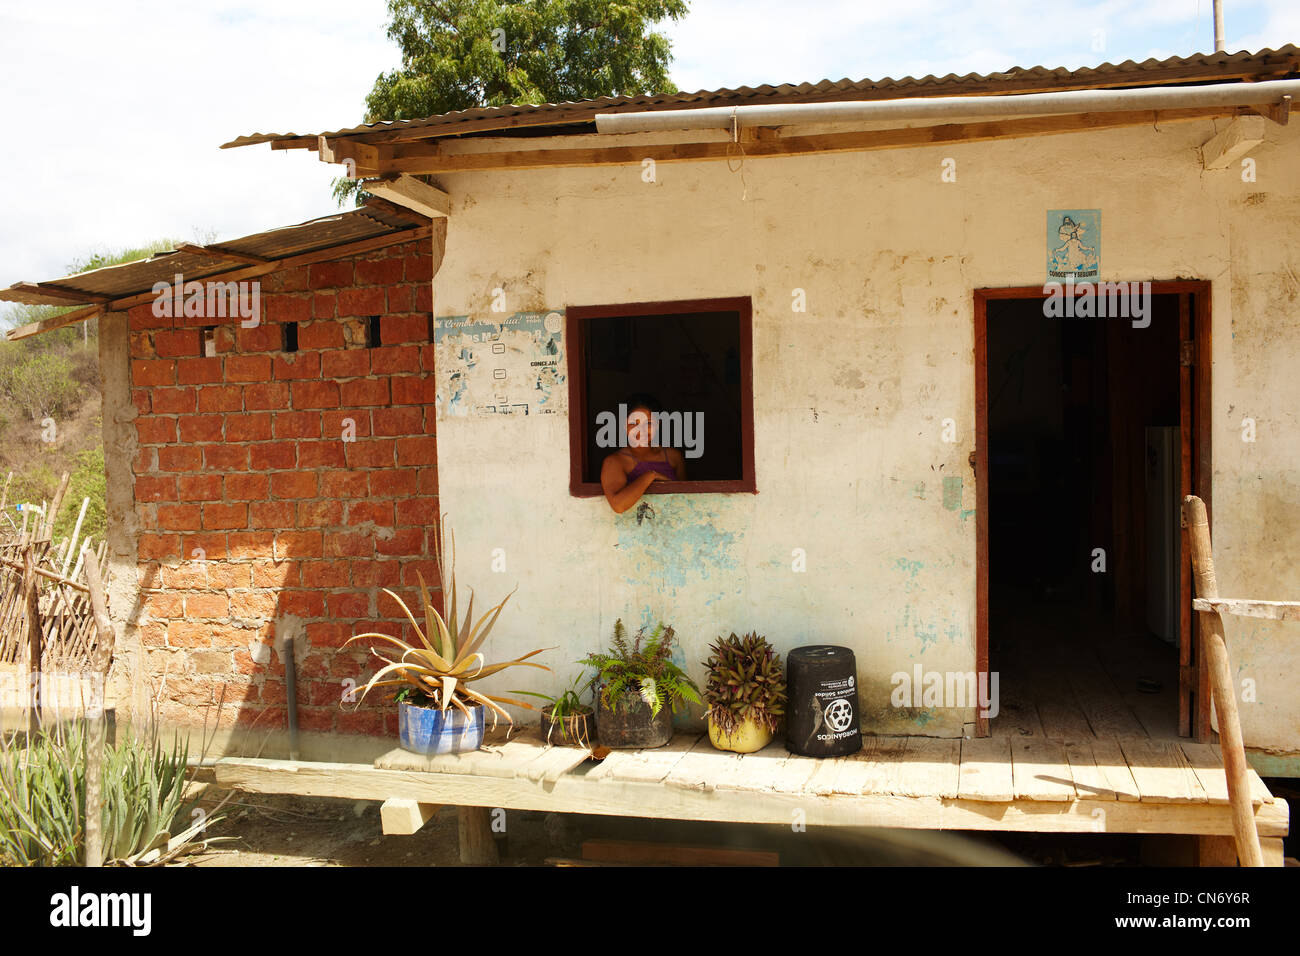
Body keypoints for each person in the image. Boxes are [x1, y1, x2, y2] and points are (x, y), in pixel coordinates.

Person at [600, 393, 686, 514]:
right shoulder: (615, 461)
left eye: (649, 423)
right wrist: (650, 476)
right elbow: (618, 506)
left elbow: (685, 498)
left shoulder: (673, 456)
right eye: (634, 423)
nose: (641, 430)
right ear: (625, 425)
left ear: (658, 424)